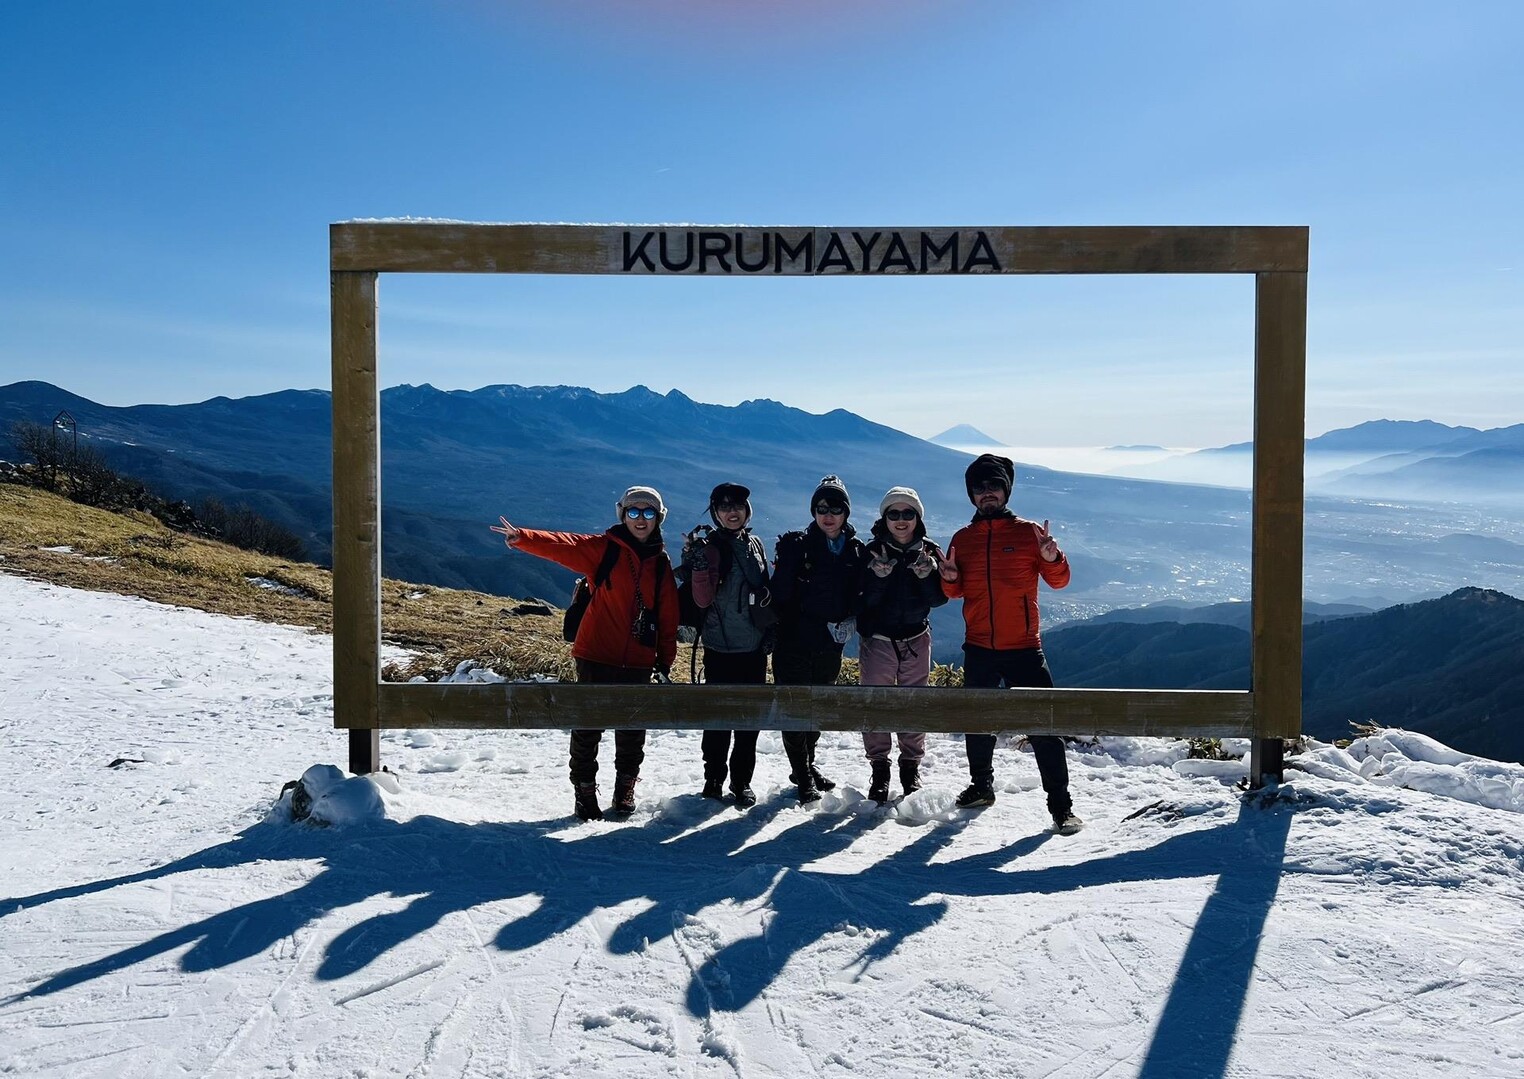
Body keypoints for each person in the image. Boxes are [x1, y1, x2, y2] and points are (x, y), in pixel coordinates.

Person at [491, 486, 678, 822]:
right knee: (588, 727)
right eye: (633, 511)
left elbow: (667, 617)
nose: (640, 518)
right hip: (595, 654)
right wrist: (523, 537)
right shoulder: (604, 549)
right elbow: (565, 545)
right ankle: (584, 791)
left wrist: (664, 659)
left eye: (648, 512)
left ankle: (625, 788)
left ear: (658, 518)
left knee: (633, 729)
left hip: (638, 658)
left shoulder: (661, 563)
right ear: (622, 514)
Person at [939, 454, 1083, 834]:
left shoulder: (1028, 533)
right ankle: (981, 787)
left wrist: (1053, 558)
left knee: (1044, 727)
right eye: (979, 488)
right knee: (977, 723)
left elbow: (1060, 581)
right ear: (971, 495)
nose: (987, 493)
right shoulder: (962, 539)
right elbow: (955, 593)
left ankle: (1061, 806)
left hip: (1023, 646)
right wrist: (950, 578)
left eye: (994, 486)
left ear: (1006, 490)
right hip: (980, 645)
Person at [771, 475, 867, 804]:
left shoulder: (856, 550)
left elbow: (860, 594)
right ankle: (802, 777)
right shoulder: (797, 545)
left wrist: (851, 618)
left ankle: (805, 767)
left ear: (846, 513)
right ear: (813, 511)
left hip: (830, 643)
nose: (828, 514)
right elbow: (780, 594)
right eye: (822, 508)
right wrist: (785, 563)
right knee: (796, 707)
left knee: (817, 709)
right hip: (793, 640)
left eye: (836, 508)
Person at [684, 482, 775, 808]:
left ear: (746, 511)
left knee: (748, 720)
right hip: (719, 647)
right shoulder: (709, 548)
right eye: (724, 507)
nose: (731, 512)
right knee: (720, 717)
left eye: (737, 505)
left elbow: (763, 591)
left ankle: (740, 782)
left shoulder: (755, 544)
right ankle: (714, 778)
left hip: (752, 646)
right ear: (715, 512)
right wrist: (698, 568)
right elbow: (702, 598)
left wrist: (770, 629)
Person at [857, 486, 948, 803]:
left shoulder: (931, 552)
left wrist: (927, 576)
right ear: (884, 518)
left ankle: (910, 768)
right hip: (879, 640)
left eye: (907, 513)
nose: (900, 519)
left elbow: (938, 599)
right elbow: (863, 603)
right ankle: (879, 768)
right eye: (893, 513)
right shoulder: (869, 552)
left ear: (917, 518)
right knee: (875, 703)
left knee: (913, 703)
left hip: (916, 638)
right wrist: (878, 578)